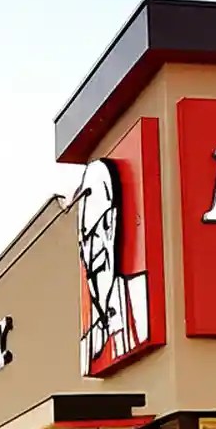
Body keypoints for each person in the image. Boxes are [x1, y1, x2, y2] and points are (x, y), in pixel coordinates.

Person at [77, 159, 149, 376]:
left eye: (93, 236)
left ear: (111, 224)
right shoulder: (88, 345)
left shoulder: (140, 303)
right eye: (83, 243)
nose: (88, 255)